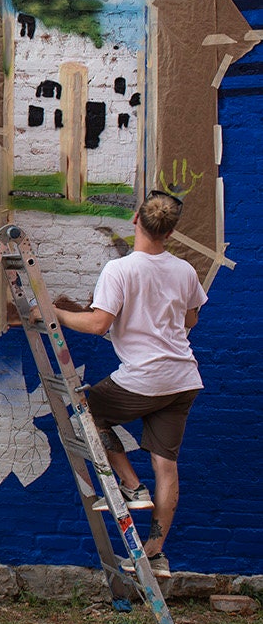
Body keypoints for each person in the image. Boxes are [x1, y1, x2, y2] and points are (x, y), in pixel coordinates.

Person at [54, 190, 204, 579]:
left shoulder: (120, 270)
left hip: (143, 377)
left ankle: (132, 486)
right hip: (183, 378)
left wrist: (57, 313)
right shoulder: (185, 270)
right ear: (170, 232)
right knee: (167, 466)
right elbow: (190, 322)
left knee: (86, 412)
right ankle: (155, 552)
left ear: (136, 220)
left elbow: (98, 324)